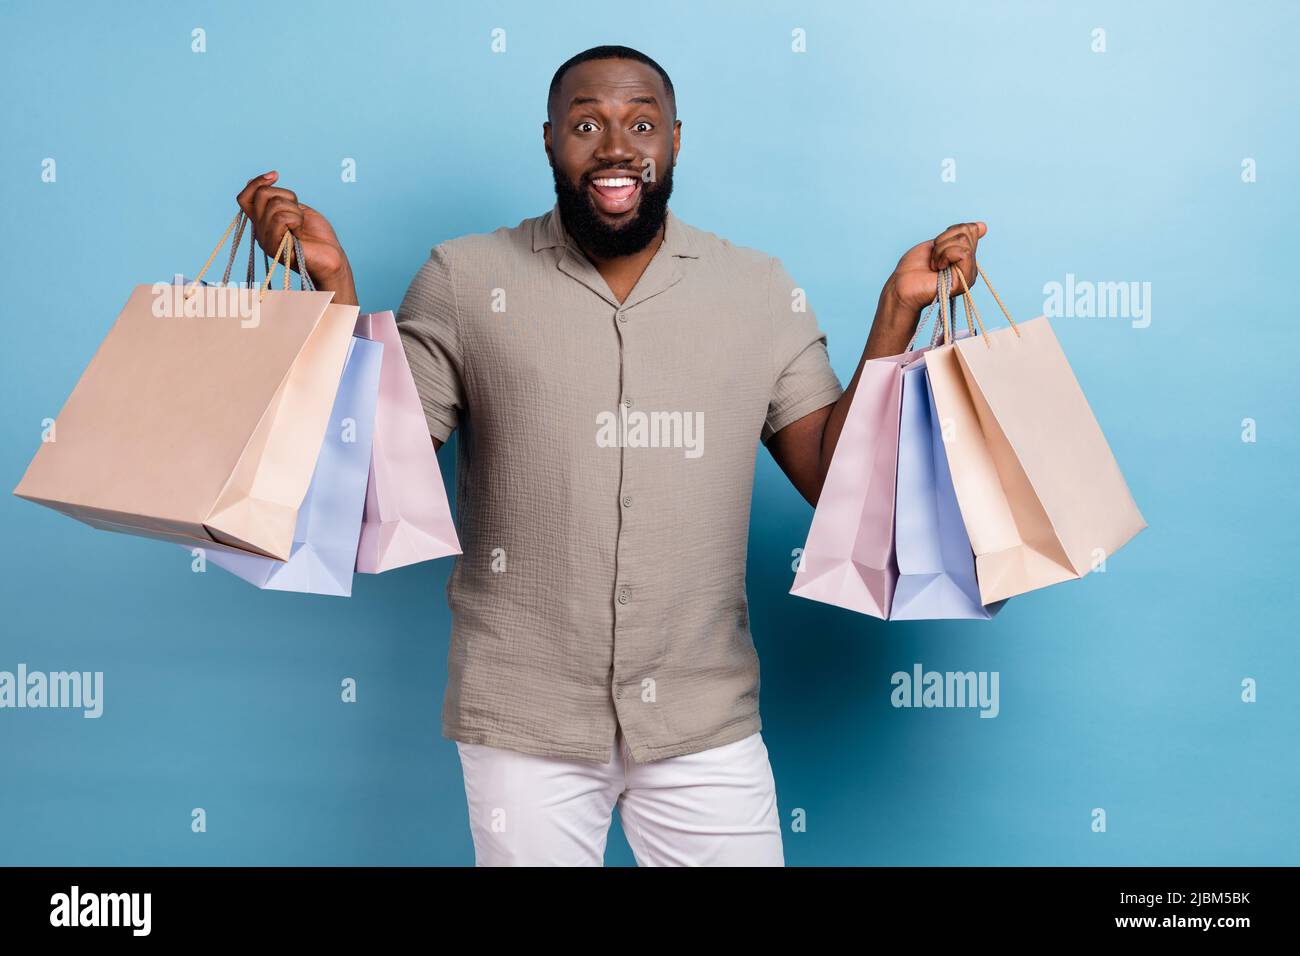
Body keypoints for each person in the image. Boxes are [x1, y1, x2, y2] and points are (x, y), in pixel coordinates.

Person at [236, 44, 986, 867]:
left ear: (674, 140)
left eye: (640, 123)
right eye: (587, 124)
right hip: (522, 716)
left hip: (705, 719)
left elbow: (837, 481)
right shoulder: (463, 277)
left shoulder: (758, 289)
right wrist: (333, 287)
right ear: (551, 139)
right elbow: (383, 470)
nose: (616, 147)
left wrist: (895, 316)